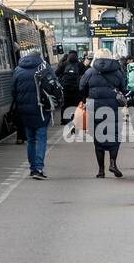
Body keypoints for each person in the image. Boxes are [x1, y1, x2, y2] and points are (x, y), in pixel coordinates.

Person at [12, 48, 64, 180]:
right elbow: (54, 86)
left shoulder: (18, 69)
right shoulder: (44, 67)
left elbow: (13, 91)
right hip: (41, 109)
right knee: (41, 138)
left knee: (30, 139)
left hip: (24, 110)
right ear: (39, 57)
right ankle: (39, 168)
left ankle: (32, 168)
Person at [79, 48, 128, 178]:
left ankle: (101, 170)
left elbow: (82, 88)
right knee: (115, 136)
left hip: (95, 109)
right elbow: (124, 88)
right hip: (113, 108)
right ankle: (113, 163)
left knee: (98, 139)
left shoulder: (90, 72)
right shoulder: (118, 72)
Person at [54, 50, 84, 124]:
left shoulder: (64, 64)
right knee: (77, 105)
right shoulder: (80, 64)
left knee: (65, 105)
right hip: (77, 89)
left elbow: (56, 74)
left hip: (66, 89)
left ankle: (64, 121)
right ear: (76, 56)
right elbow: (85, 74)